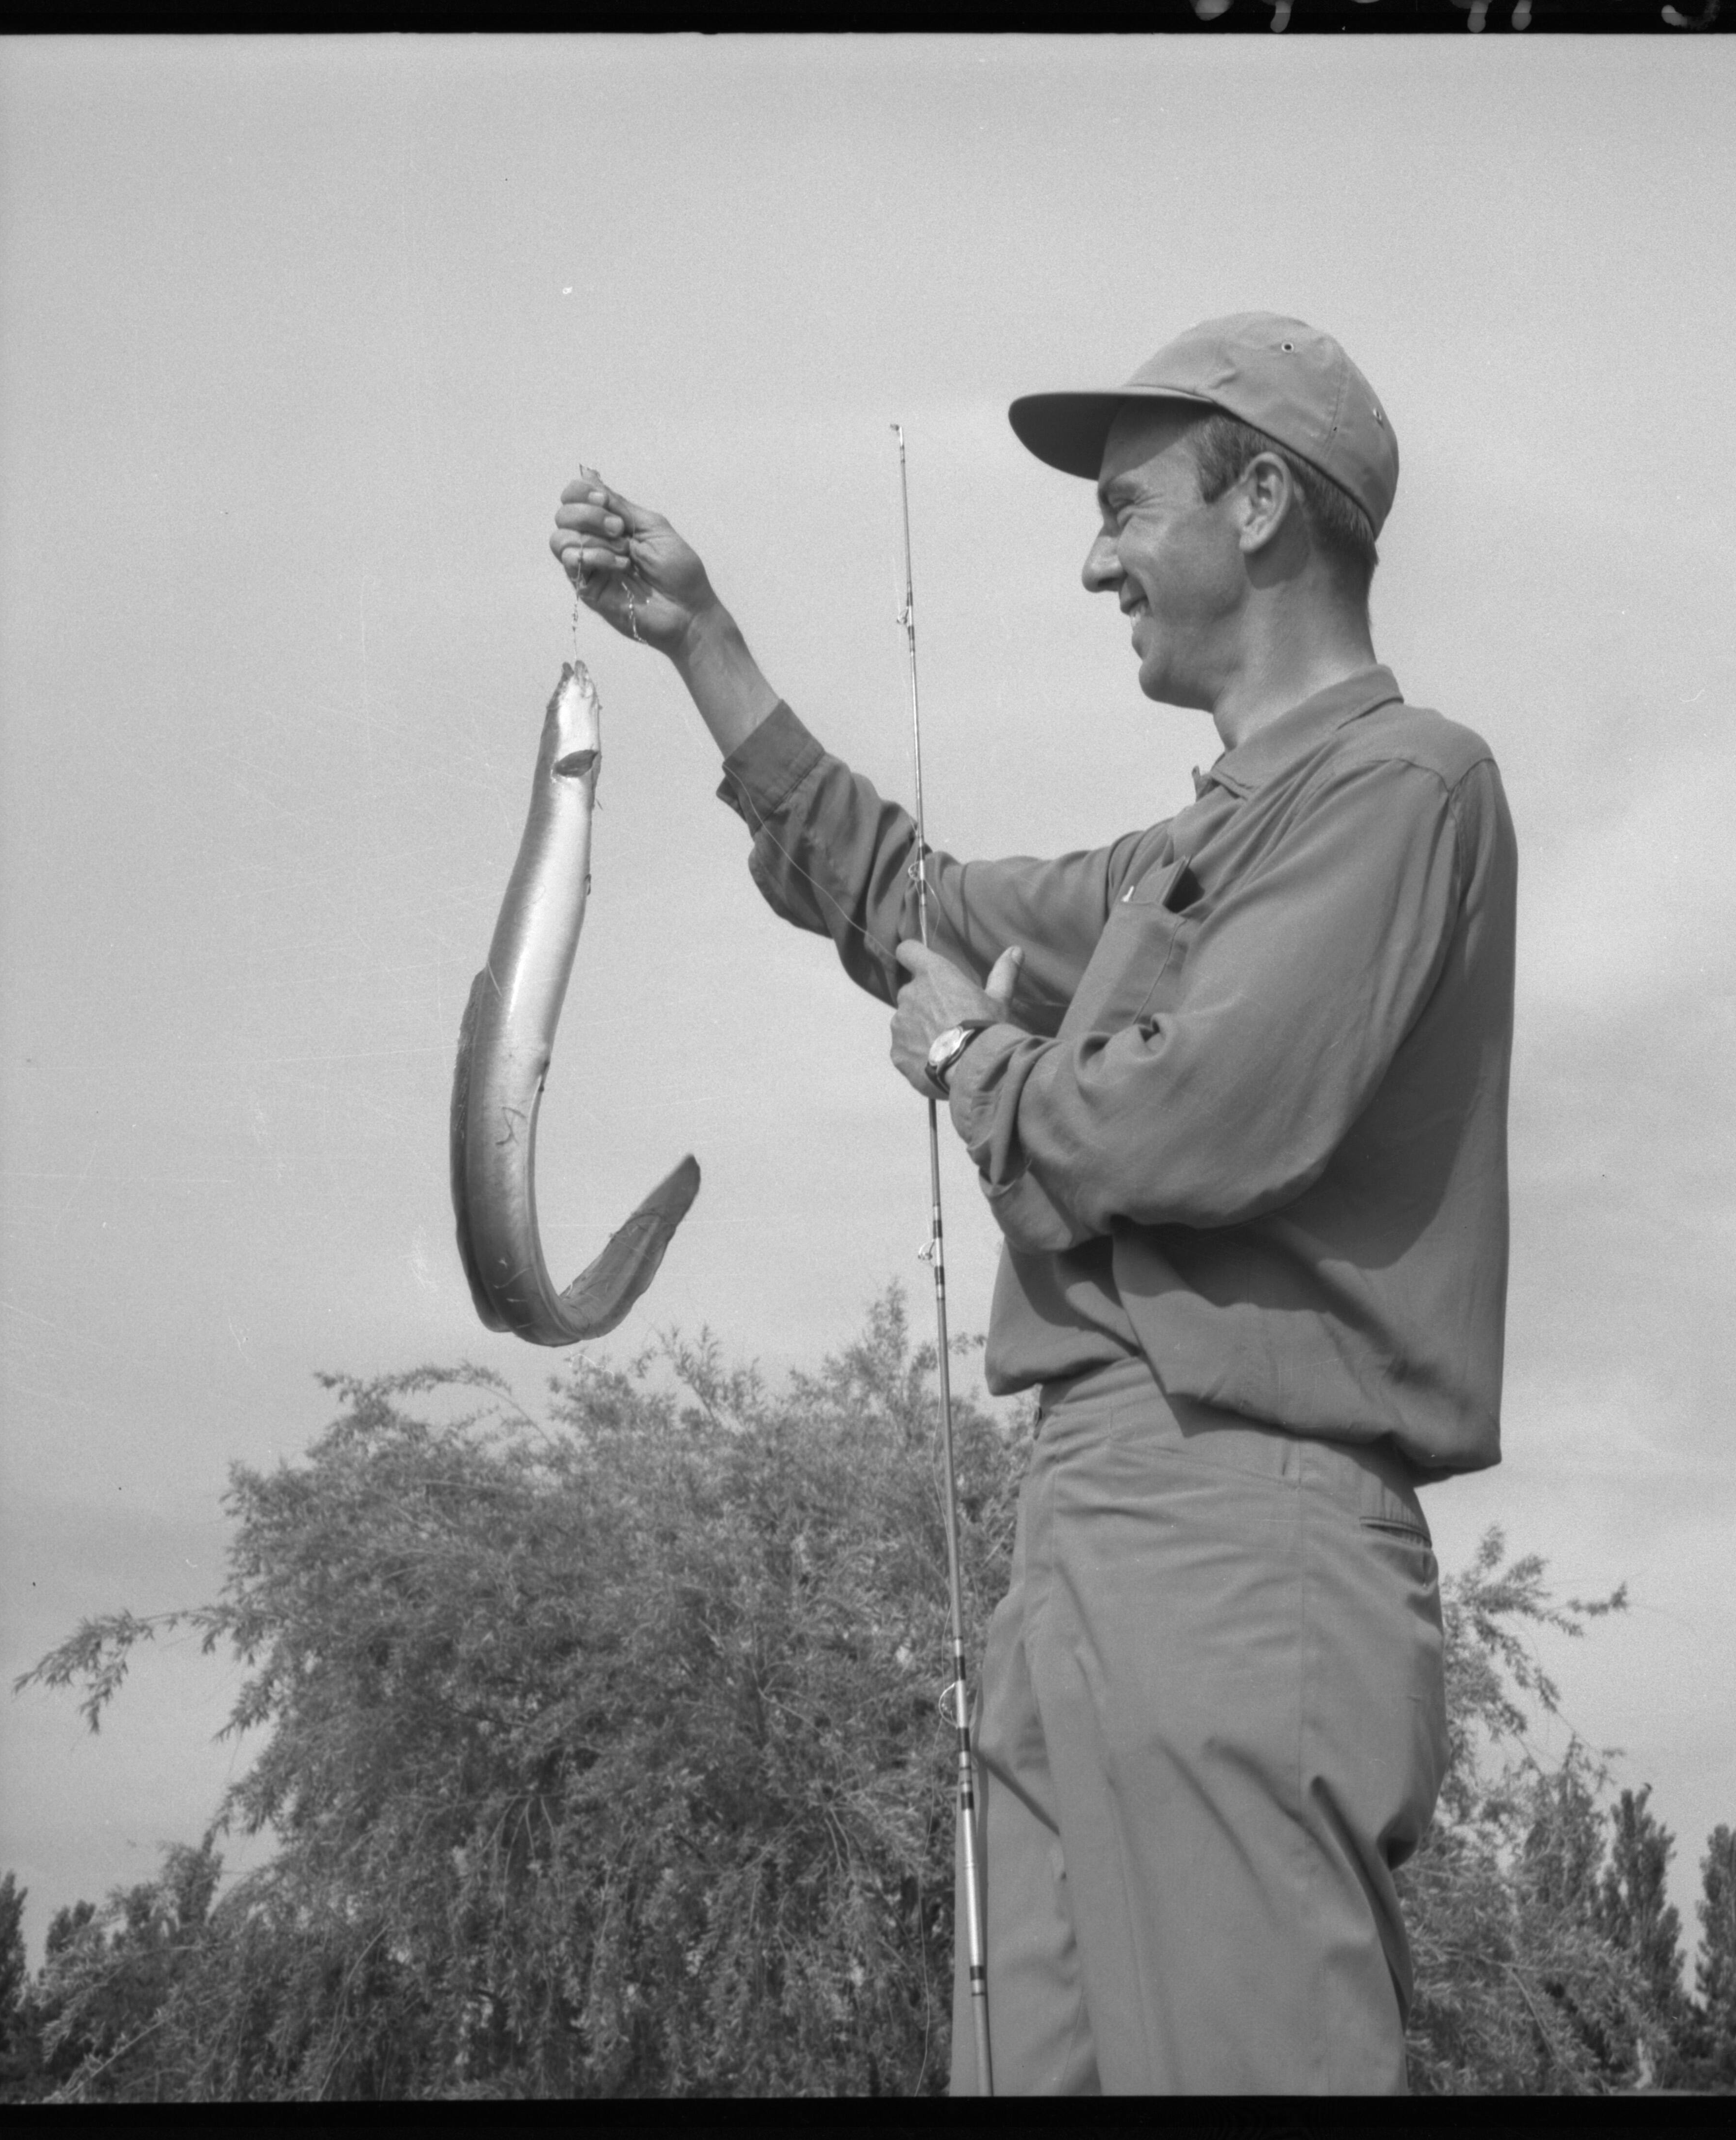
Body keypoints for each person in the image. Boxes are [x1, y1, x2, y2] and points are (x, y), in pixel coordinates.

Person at [550, 312, 1517, 2095]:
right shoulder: (1178, 860)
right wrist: (703, 642)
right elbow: (906, 899)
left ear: (1256, 503)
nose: (1092, 560)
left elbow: (1187, 1131)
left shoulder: (1405, 785)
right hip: (1077, 1524)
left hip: (1237, 1534)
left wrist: (965, 1069)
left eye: (1124, 508)